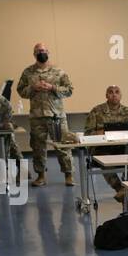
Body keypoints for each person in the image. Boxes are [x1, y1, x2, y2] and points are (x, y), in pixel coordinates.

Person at [16, 42, 74, 187]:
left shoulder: (59, 71)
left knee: (62, 146)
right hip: (37, 116)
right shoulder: (28, 72)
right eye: (38, 51)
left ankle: (69, 176)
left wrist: (52, 87)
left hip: (56, 116)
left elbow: (69, 90)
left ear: (48, 52)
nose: (41, 52)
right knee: (38, 147)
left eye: (43, 50)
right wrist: (33, 88)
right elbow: (21, 91)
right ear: (34, 54)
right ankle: (41, 176)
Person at [84, 85, 128, 201]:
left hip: (122, 147)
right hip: (102, 148)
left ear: (121, 95)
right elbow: (88, 133)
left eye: (117, 92)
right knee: (104, 160)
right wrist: (102, 132)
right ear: (106, 95)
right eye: (111, 92)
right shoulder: (97, 111)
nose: (114, 94)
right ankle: (120, 189)